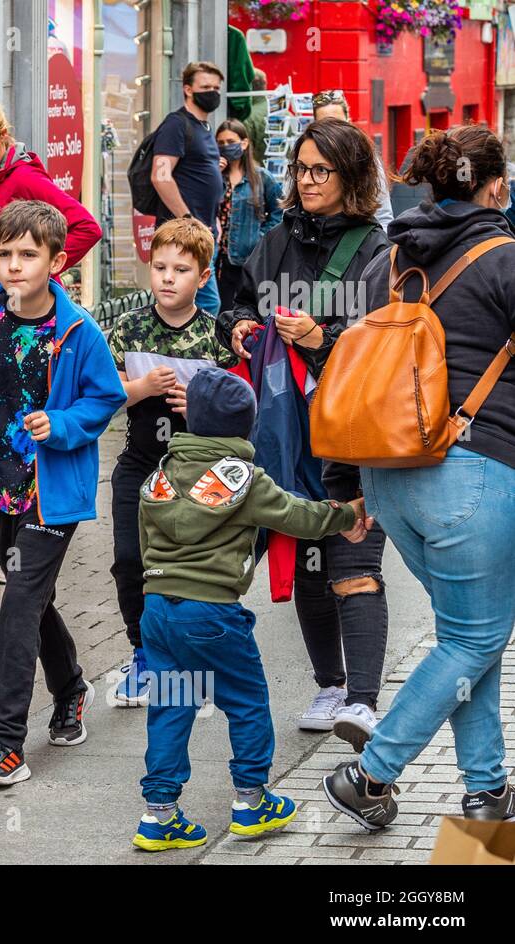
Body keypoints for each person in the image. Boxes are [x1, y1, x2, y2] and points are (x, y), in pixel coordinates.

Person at [324, 125, 515, 828]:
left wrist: (345, 485)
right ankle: (370, 772)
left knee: (474, 633)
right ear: (494, 185)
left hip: (388, 477)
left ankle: (486, 791)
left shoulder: (388, 260)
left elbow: (355, 378)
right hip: (472, 476)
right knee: (474, 636)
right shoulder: (506, 260)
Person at [133, 367, 369, 850]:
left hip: (158, 609)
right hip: (214, 614)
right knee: (245, 702)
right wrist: (346, 514)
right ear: (246, 428)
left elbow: (143, 541)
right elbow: (298, 515)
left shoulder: (158, 476)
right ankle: (252, 800)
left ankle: (159, 815)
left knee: (172, 706)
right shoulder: (241, 478)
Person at [218, 119, 391, 742]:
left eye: (322, 170)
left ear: (352, 176)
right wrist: (236, 327)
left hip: (351, 430)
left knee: (355, 553)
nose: (308, 181)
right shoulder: (276, 239)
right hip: (282, 432)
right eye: (301, 169)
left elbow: (382, 344)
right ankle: (330, 684)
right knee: (310, 557)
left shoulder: (377, 249)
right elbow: (237, 300)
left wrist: (324, 341)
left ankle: (364, 701)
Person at [0, 200, 126, 786]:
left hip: (53, 491)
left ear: (56, 259)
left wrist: (64, 424)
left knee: (19, 600)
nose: (13, 266)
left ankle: (2, 744)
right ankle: (73, 687)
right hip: (1, 485)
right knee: (37, 598)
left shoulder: (78, 330)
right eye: (4, 254)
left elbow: (104, 398)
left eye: (28, 255)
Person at [0, 96, 102, 583]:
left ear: (5, 137)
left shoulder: (26, 180)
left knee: (20, 424)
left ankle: (14, 548)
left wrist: (40, 275)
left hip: (23, 322)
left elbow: (85, 226)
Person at [105, 219, 234, 706]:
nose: (167, 277)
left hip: (195, 470)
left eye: (181, 269)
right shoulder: (127, 326)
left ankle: (184, 655)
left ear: (203, 278)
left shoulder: (215, 335)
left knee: (184, 569)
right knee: (129, 560)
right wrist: (142, 388)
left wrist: (196, 402)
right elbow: (104, 391)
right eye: (159, 267)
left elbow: (239, 405)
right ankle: (142, 654)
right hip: (139, 463)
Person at [149, 61, 225, 316]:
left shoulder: (204, 128)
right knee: (206, 304)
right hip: (185, 236)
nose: (212, 92)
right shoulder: (177, 124)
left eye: (216, 87)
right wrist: (187, 219)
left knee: (196, 304)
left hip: (204, 231)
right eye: (205, 86)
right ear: (188, 90)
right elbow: (161, 176)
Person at [214, 118, 282, 313]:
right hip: (219, 259)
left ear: (244, 143)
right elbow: (203, 208)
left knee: (249, 311)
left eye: (230, 142)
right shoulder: (215, 175)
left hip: (250, 258)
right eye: (221, 143)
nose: (225, 146)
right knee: (223, 311)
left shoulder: (261, 177)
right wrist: (214, 174)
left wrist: (261, 238)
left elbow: (280, 210)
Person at [311, 90, 395, 231]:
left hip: (357, 242)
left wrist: (382, 248)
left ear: (348, 121)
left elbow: (383, 214)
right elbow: (290, 207)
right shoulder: (305, 156)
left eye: (338, 123)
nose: (332, 131)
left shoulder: (366, 156)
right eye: (325, 124)